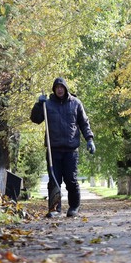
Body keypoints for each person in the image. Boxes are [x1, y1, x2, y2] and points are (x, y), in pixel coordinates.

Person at [30, 78, 95, 218]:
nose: (59, 89)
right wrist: (38, 105)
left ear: (66, 88)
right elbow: (35, 119)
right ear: (54, 89)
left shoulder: (76, 103)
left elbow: (84, 123)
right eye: (57, 87)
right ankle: (55, 209)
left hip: (71, 150)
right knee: (54, 180)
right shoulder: (47, 104)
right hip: (54, 149)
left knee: (71, 179)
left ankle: (74, 207)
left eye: (62, 87)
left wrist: (89, 139)